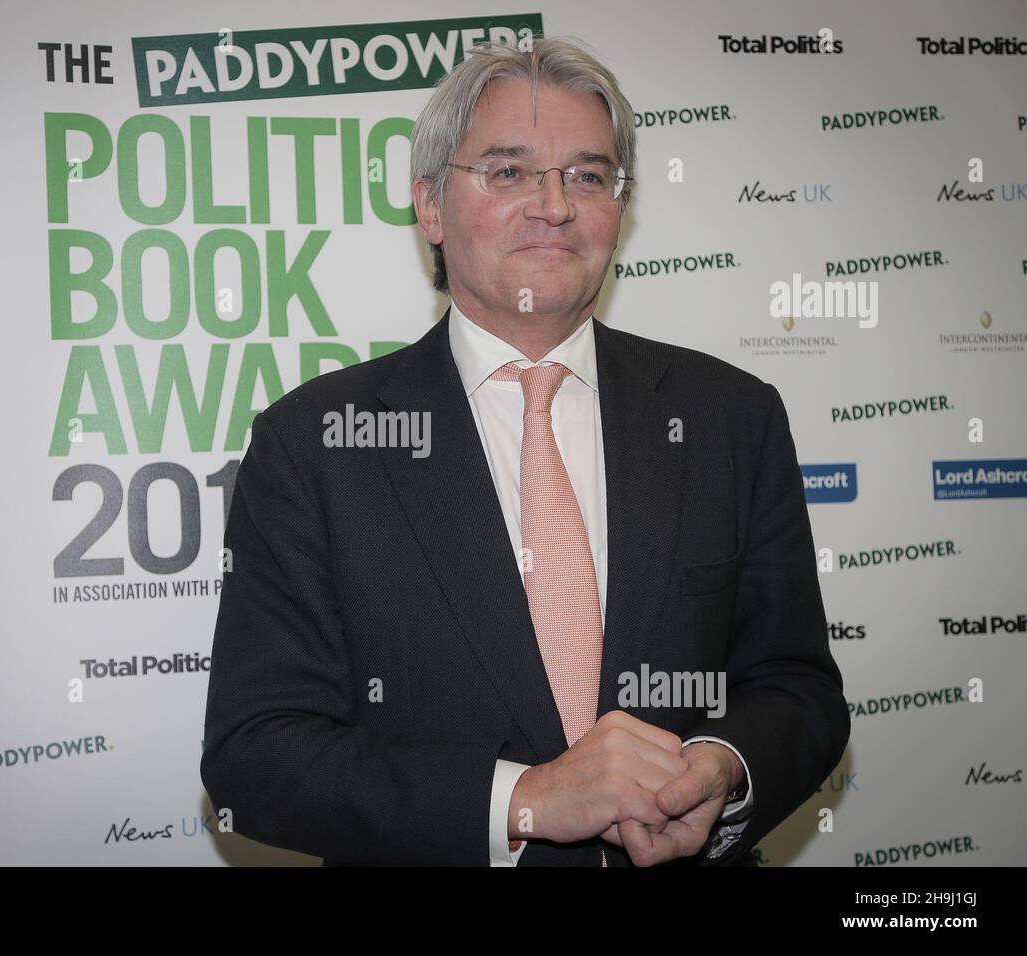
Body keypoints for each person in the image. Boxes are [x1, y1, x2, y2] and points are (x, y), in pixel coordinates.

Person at [200, 36, 850, 866]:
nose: (555, 206)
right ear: (430, 207)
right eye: (508, 172)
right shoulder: (313, 444)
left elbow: (799, 690)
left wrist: (722, 771)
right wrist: (528, 801)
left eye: (588, 175)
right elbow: (255, 757)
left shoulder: (732, 418)